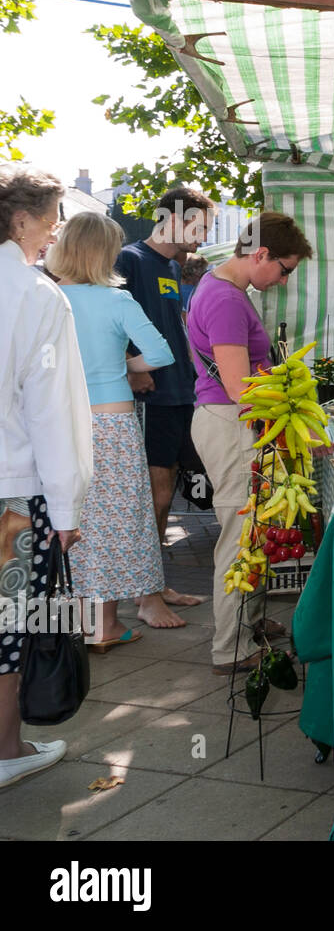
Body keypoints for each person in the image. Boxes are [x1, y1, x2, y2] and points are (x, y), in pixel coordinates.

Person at [46, 213, 182, 641]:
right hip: (113, 421)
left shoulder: (47, 298)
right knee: (117, 521)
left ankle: (75, 623)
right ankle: (105, 624)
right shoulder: (117, 301)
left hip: (59, 422)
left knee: (71, 517)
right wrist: (123, 365)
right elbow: (161, 353)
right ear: (107, 253)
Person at [187, 212, 313, 674]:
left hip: (230, 420)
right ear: (261, 254)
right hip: (230, 422)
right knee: (239, 539)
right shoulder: (224, 298)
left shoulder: (224, 290)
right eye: (285, 269)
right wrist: (297, 412)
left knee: (253, 531)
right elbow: (240, 386)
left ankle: (251, 620)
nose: (283, 280)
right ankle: (231, 648)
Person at [0, 165, 93, 787]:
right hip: (13, 494)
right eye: (52, 218)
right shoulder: (34, 295)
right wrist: (66, 512)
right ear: (23, 218)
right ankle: (5, 752)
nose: (56, 233)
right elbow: (54, 412)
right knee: (10, 624)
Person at [114, 186, 214, 608]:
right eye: (201, 225)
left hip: (178, 393)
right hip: (149, 397)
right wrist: (129, 366)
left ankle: (153, 585)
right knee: (152, 496)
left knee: (165, 495)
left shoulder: (172, 268)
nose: (204, 237)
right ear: (174, 217)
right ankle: (145, 594)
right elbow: (109, 320)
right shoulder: (129, 259)